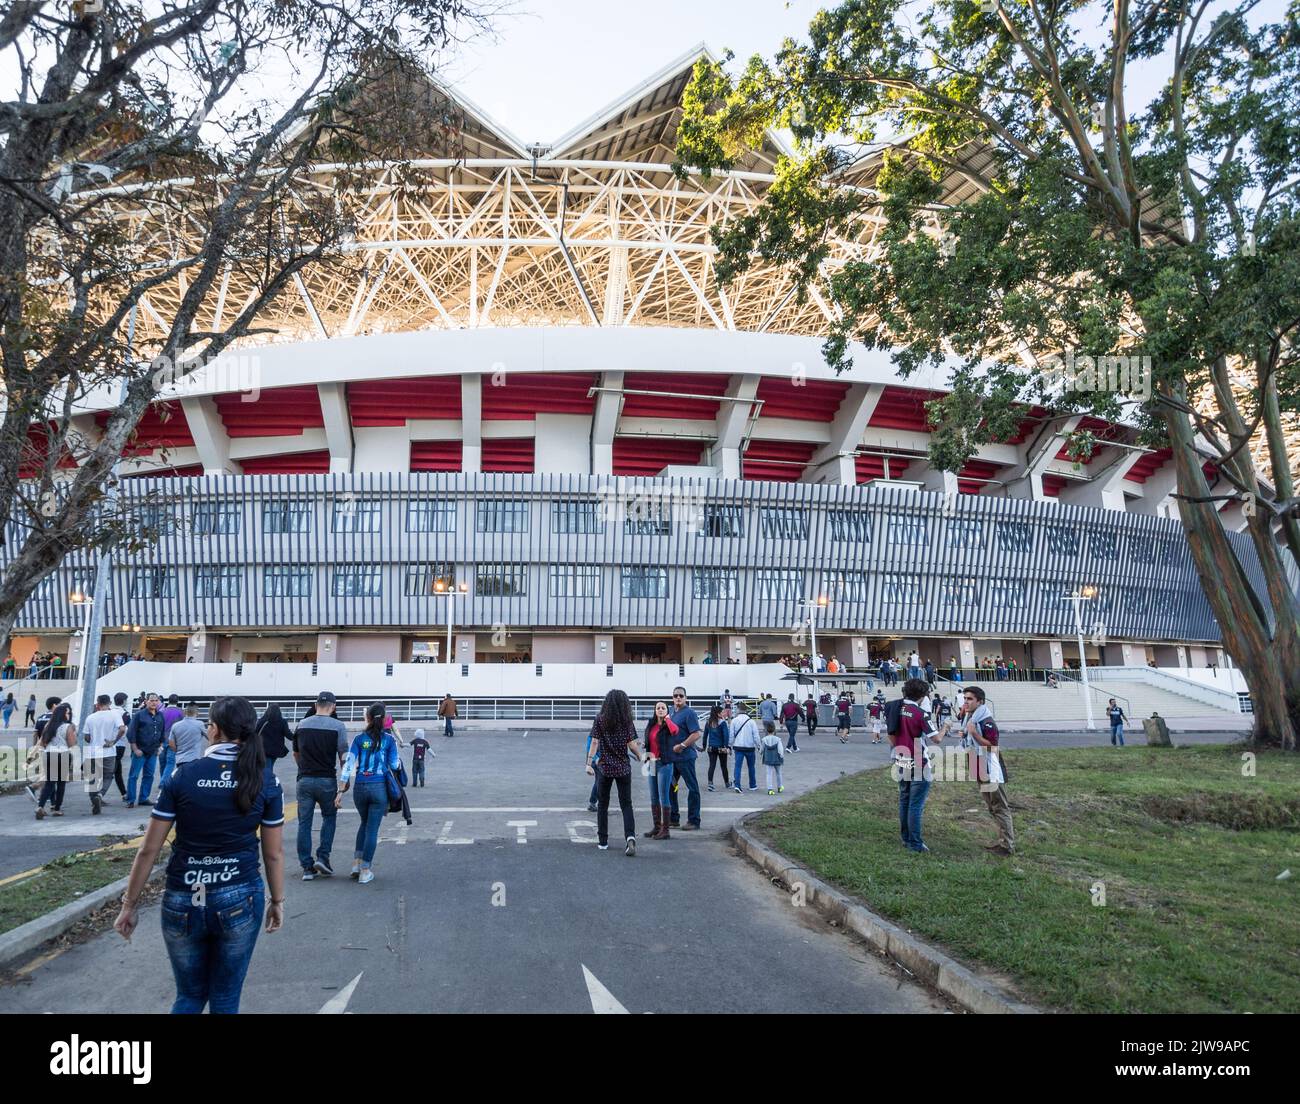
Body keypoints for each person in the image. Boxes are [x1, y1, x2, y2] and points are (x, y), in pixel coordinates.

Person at [114, 695, 284, 1014]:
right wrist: (277, 901)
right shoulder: (265, 779)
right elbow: (273, 854)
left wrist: (129, 905)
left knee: (190, 996)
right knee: (224, 997)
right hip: (239, 897)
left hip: (190, 894)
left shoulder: (184, 775)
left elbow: (149, 849)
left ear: (215, 730)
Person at [337, 702, 401, 883]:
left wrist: (340, 791)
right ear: (385, 720)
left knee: (364, 824)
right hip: (379, 787)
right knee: (372, 829)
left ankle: (356, 864)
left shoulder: (359, 739)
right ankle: (365, 870)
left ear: (369, 718)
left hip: (360, 787)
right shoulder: (389, 740)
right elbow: (395, 764)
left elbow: (348, 765)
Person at [294, 691, 349, 881]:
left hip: (304, 780)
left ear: (315, 704)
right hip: (327, 780)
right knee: (329, 818)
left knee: (304, 823)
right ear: (333, 707)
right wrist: (345, 780)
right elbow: (344, 756)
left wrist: (303, 768)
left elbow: (296, 753)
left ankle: (307, 868)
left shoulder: (301, 724)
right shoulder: (339, 726)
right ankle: (323, 857)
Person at [584, 690, 643, 855]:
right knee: (626, 804)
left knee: (603, 805)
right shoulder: (627, 721)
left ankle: (603, 841)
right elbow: (632, 745)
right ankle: (630, 837)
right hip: (623, 768)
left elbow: (594, 742)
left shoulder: (600, 720)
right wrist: (640, 756)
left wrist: (588, 763)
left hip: (605, 769)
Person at [960, 686, 1015, 856]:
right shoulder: (972, 718)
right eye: (965, 699)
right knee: (992, 807)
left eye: (970, 699)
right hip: (979, 767)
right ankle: (1002, 841)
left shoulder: (986, 721)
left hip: (991, 769)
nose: (966, 702)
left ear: (980, 702)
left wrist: (974, 734)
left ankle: (1007, 845)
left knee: (1000, 807)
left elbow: (992, 747)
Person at [890, 678, 941, 853]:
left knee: (904, 799)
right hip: (919, 761)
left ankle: (906, 838)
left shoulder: (894, 708)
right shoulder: (920, 713)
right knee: (916, 804)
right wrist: (946, 727)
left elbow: (890, 733)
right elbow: (937, 739)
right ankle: (915, 843)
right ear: (923, 695)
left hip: (901, 757)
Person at [665, 687, 703, 830]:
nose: (678, 698)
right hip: (672, 759)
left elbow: (696, 734)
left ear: (685, 697)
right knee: (671, 787)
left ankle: (694, 820)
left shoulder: (689, 713)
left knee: (692, 788)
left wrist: (682, 745)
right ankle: (674, 818)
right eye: (676, 695)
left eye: (681, 695)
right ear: (672, 697)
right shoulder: (672, 712)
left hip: (686, 758)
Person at [82, 694, 125, 815]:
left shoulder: (90, 717)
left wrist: (92, 739)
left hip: (92, 752)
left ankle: (94, 799)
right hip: (108, 751)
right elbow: (122, 729)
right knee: (108, 776)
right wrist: (114, 741)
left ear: (97, 704)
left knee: (92, 778)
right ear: (110, 703)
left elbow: (86, 737)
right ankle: (100, 795)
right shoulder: (115, 714)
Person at [642, 701, 679, 840]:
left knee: (664, 796)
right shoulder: (651, 724)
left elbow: (675, 731)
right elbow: (650, 742)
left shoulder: (668, 725)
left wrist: (668, 719)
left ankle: (665, 830)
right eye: (658, 708)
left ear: (667, 710)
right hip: (651, 763)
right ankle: (657, 827)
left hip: (665, 764)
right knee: (653, 796)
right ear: (655, 710)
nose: (661, 710)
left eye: (663, 708)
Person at [34, 702, 77, 819]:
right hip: (62, 754)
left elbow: (42, 742)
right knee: (61, 783)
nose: (69, 715)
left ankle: (40, 806)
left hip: (48, 754)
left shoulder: (48, 725)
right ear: (63, 715)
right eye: (67, 713)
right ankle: (57, 809)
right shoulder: (68, 727)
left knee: (49, 782)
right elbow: (72, 743)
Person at [125, 692, 166, 808]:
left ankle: (143, 798)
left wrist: (160, 747)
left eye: (156, 700)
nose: (153, 702)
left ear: (158, 702)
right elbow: (131, 733)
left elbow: (162, 732)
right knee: (134, 776)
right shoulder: (139, 715)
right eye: (151, 700)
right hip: (140, 751)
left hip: (153, 752)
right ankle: (130, 799)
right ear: (146, 701)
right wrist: (135, 749)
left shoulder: (160, 716)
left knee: (149, 775)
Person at [729, 706, 759, 793]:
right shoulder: (751, 721)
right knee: (751, 767)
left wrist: (729, 745)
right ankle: (752, 785)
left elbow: (731, 735)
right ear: (746, 710)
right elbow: (756, 735)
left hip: (738, 747)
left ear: (738, 710)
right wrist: (759, 746)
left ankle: (737, 785)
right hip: (750, 747)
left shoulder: (734, 720)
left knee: (737, 766)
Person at [256, 704, 292, 773]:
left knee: (266, 766)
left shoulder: (262, 721)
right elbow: (288, 734)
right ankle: (267, 778)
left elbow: (255, 733)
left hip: (263, 749)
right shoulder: (282, 722)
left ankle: (265, 778)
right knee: (269, 766)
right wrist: (298, 736)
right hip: (275, 750)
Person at [703, 705, 731, 792]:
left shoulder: (708, 722)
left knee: (712, 765)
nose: (724, 713)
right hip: (721, 748)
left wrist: (704, 746)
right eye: (722, 712)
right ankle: (727, 783)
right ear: (718, 714)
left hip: (711, 748)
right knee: (723, 766)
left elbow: (705, 736)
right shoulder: (722, 723)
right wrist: (726, 746)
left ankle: (710, 784)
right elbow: (726, 736)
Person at [170, 703, 207, 768]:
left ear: (184, 712)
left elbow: (171, 744)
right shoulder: (200, 724)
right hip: (194, 759)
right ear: (197, 712)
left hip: (180, 760)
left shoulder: (175, 725)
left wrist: (179, 752)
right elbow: (211, 738)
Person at [159, 694, 184, 784]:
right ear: (177, 701)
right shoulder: (180, 712)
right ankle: (164, 782)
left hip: (161, 740)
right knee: (170, 762)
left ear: (168, 701)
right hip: (173, 740)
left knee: (162, 763)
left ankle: (163, 780)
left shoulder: (161, 711)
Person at [112, 691, 130, 798]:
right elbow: (126, 729)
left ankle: (123, 792)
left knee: (117, 769)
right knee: (114, 770)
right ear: (123, 701)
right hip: (119, 744)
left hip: (108, 743)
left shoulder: (110, 712)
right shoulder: (125, 713)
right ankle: (99, 794)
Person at [760, 721, 785, 795]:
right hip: (777, 758)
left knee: (769, 774)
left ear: (766, 730)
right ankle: (780, 787)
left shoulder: (764, 739)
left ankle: (770, 789)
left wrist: (760, 753)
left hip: (768, 759)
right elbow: (780, 750)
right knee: (778, 773)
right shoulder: (778, 739)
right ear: (774, 729)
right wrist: (781, 756)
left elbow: (761, 749)